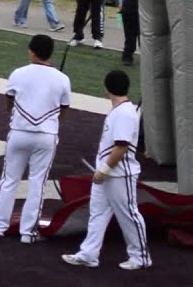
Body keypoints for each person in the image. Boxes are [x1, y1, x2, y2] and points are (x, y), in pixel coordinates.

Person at [61, 69, 151, 271]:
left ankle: (140, 256)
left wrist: (104, 169)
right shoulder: (122, 111)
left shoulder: (125, 113)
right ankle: (88, 254)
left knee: (128, 213)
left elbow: (121, 146)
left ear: (107, 88)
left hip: (119, 175)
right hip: (107, 173)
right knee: (97, 213)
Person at [0, 35, 72, 242]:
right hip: (46, 135)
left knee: (9, 179)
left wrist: (16, 113)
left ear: (32, 51)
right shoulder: (62, 79)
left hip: (19, 131)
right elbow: (64, 108)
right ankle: (28, 232)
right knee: (37, 183)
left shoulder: (19, 73)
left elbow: (9, 99)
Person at [117, 0, 139, 66]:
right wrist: (121, 1)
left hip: (145, 1)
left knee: (144, 32)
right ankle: (127, 55)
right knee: (129, 31)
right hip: (129, 0)